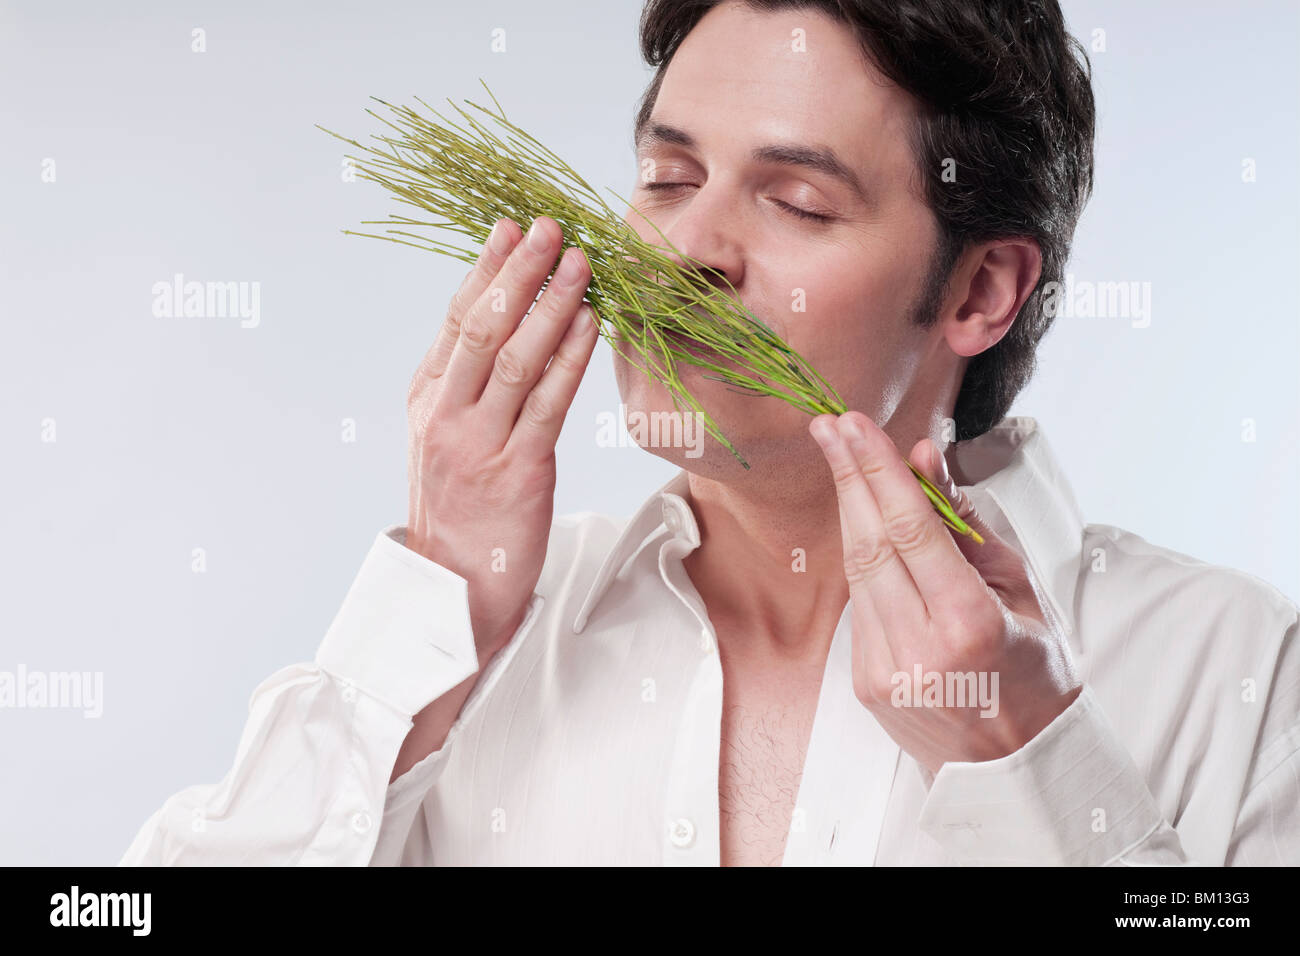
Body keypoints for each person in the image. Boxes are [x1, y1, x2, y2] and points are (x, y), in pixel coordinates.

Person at [121, 0, 1298, 866]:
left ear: (980, 290)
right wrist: (429, 606)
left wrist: (1023, 762)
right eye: (668, 178)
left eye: (795, 202)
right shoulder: (478, 639)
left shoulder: (1233, 669)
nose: (687, 252)